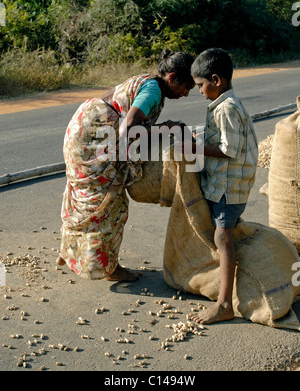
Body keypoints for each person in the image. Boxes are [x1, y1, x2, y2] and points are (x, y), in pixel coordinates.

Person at [56, 49, 195, 282]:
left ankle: (67, 252)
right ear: (171, 78)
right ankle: (109, 269)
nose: (186, 94)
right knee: (110, 203)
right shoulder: (152, 90)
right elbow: (129, 127)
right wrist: (168, 128)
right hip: (94, 139)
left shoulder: (148, 82)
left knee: (85, 198)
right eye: (186, 88)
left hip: (84, 129)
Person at [189, 48, 258, 324]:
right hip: (225, 182)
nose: (199, 92)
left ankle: (225, 304)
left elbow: (228, 150)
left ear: (216, 80)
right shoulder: (223, 104)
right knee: (222, 234)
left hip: (230, 185)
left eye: (201, 86)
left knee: (222, 237)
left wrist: (195, 147)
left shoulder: (227, 108)